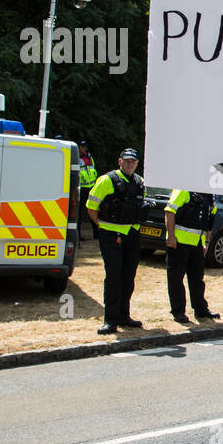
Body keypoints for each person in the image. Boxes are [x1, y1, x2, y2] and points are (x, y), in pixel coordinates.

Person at [87, 147, 146, 334]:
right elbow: (91, 206)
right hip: (111, 234)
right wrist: (102, 226)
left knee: (128, 277)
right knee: (113, 277)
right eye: (127, 161)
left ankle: (123, 315)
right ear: (120, 161)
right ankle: (110, 320)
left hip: (132, 234)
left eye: (133, 161)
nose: (130, 164)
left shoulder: (139, 181)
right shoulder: (107, 180)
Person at [164, 189, 218, 323]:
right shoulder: (183, 190)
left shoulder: (209, 196)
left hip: (197, 244)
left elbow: (209, 221)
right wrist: (171, 236)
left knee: (197, 280)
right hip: (179, 242)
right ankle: (178, 312)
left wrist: (206, 242)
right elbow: (170, 212)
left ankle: (201, 310)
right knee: (176, 279)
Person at [78, 141, 99, 240]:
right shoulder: (75, 157)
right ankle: (78, 235)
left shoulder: (89, 157)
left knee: (93, 209)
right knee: (78, 213)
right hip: (80, 188)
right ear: (79, 147)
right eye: (83, 147)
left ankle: (96, 234)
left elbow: (93, 169)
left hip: (90, 188)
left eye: (86, 147)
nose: (85, 149)